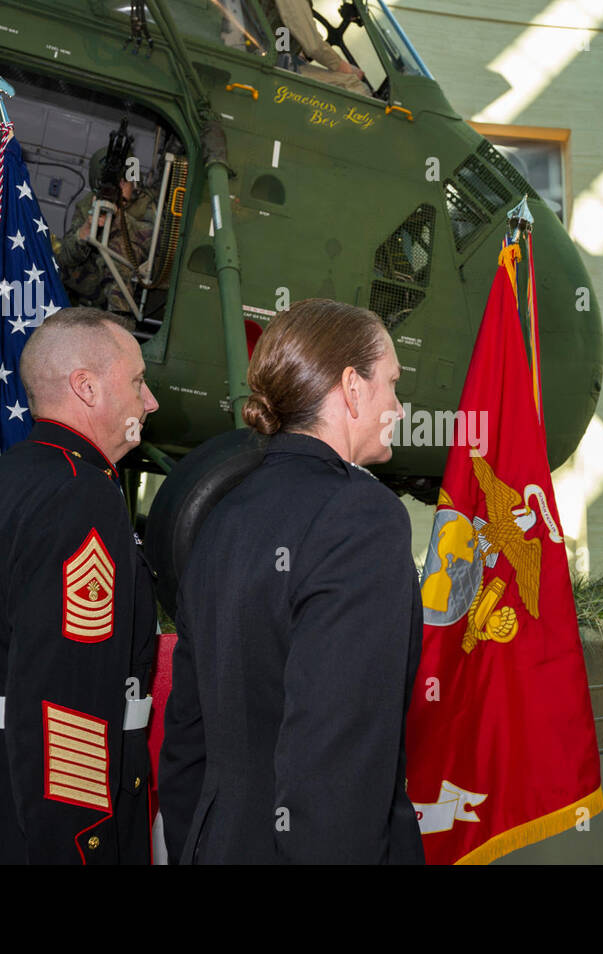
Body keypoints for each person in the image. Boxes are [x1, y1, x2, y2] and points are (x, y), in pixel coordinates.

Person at [159, 298, 424, 864]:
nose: (399, 408)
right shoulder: (362, 517)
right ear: (352, 387)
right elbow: (337, 756)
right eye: (392, 384)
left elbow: (187, 734)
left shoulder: (222, 511)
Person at [0, 307, 160, 864]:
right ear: (86, 387)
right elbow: (70, 700)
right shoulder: (83, 495)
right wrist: (83, 842)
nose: (151, 403)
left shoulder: (15, 472)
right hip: (38, 826)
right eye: (139, 382)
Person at [55, 150, 157, 319]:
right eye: (115, 182)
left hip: (133, 284)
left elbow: (155, 241)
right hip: (95, 285)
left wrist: (118, 220)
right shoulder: (88, 204)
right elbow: (66, 257)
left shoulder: (146, 203)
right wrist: (87, 229)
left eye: (125, 181)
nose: (120, 187)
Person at [264, 0, 371, 97]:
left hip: (270, 58)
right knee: (354, 85)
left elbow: (288, 28)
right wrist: (345, 68)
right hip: (267, 63)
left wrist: (299, 52)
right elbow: (314, 45)